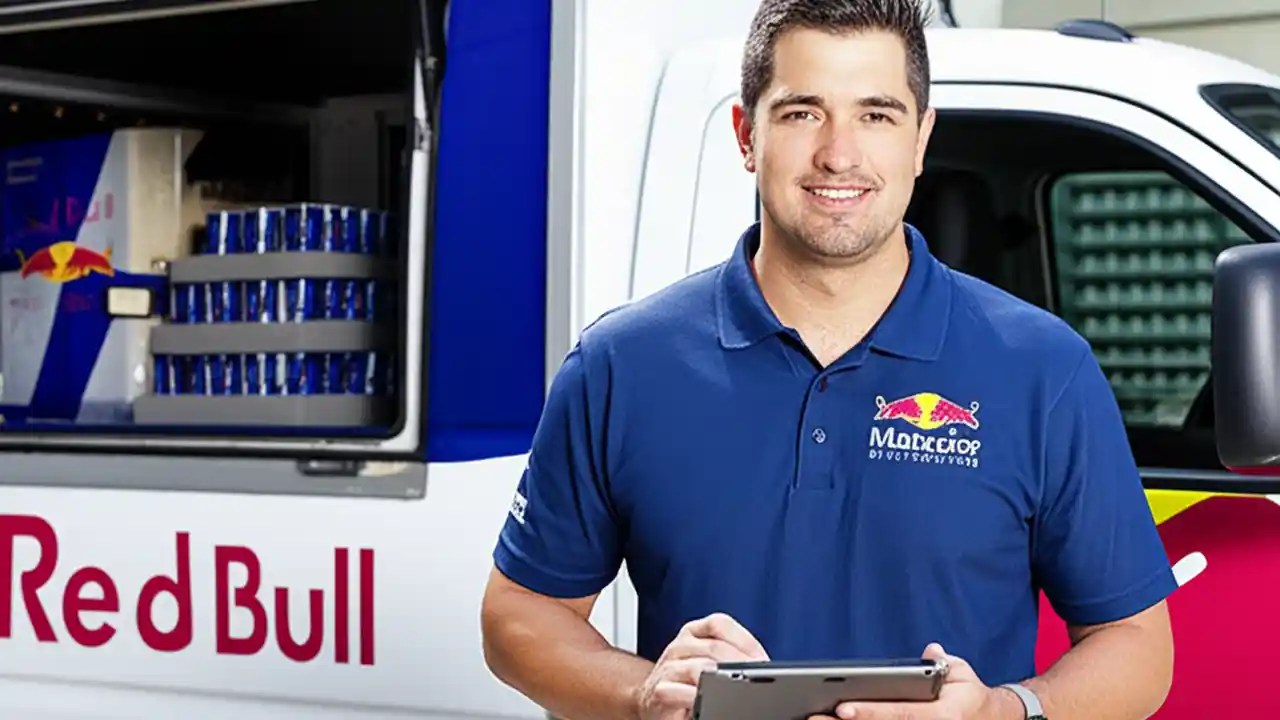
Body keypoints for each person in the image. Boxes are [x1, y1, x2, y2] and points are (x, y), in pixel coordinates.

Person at [480, 1, 1177, 719]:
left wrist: (1001, 711)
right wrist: (642, 693)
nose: (839, 154)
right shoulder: (620, 366)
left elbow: (1136, 644)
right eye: (802, 113)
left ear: (920, 139)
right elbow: (521, 614)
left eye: (876, 114)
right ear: (747, 135)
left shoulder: (1043, 369)